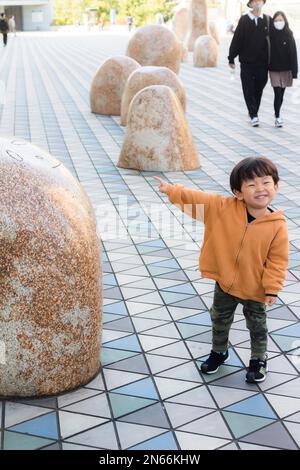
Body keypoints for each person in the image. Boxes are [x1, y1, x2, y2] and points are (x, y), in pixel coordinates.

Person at [155, 157, 289, 383]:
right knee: (219, 319)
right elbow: (197, 198)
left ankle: (258, 359)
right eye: (251, 184)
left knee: (257, 325)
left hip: (255, 288)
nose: (260, 189)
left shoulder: (277, 226)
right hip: (225, 283)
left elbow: (278, 260)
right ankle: (219, 351)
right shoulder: (221, 209)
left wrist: (272, 288)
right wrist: (172, 190)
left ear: (276, 186)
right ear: (238, 192)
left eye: (266, 182)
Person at [228, 0, 271, 127]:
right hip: (247, 63)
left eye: (260, 1)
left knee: (259, 87)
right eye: (254, 1)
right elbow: (237, 40)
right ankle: (253, 114)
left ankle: (253, 110)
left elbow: (275, 39)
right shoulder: (244, 20)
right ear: (250, 4)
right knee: (248, 88)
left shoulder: (268, 20)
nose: (257, 3)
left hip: (263, 63)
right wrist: (231, 58)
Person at [269, 11, 298, 128]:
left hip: (286, 70)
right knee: (277, 93)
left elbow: (293, 55)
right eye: (276, 21)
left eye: (280, 20)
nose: (278, 22)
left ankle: (277, 113)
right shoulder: (270, 35)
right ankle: (277, 116)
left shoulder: (289, 35)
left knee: (281, 94)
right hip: (274, 69)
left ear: (285, 21)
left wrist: (295, 73)